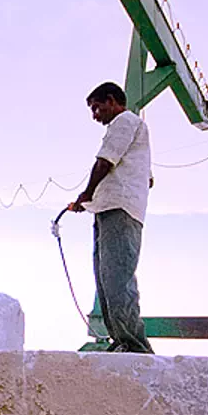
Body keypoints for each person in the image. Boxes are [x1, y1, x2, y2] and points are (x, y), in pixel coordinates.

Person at [67, 82, 155, 353]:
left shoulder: (125, 121)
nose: (95, 115)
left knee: (117, 279)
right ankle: (122, 341)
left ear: (112, 100)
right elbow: (147, 179)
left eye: (97, 107)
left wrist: (86, 193)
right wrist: (90, 201)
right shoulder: (133, 132)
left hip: (120, 210)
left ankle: (134, 346)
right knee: (106, 279)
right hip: (109, 210)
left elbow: (104, 162)